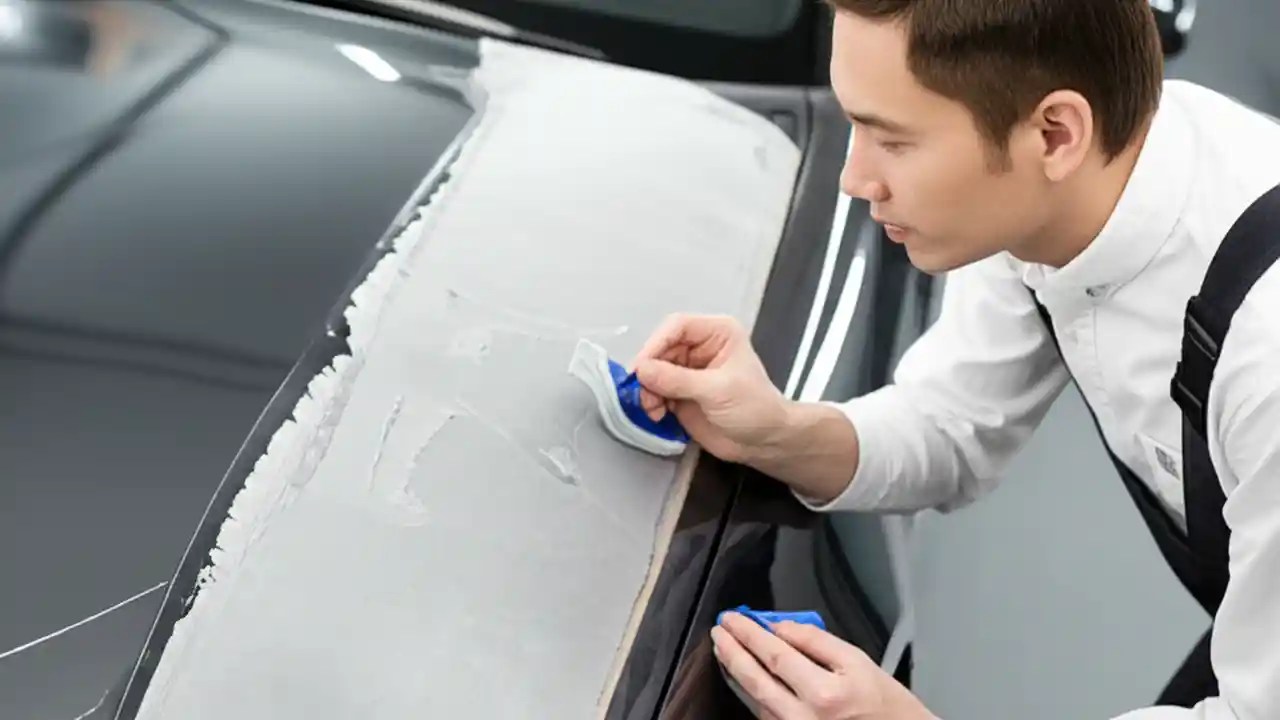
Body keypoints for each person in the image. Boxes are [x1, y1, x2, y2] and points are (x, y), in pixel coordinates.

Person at [630, 1, 1280, 718]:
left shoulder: (1267, 362)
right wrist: (777, 432)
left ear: (1055, 134)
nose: (855, 177)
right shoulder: (1049, 196)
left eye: (893, 141)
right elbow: (954, 424)